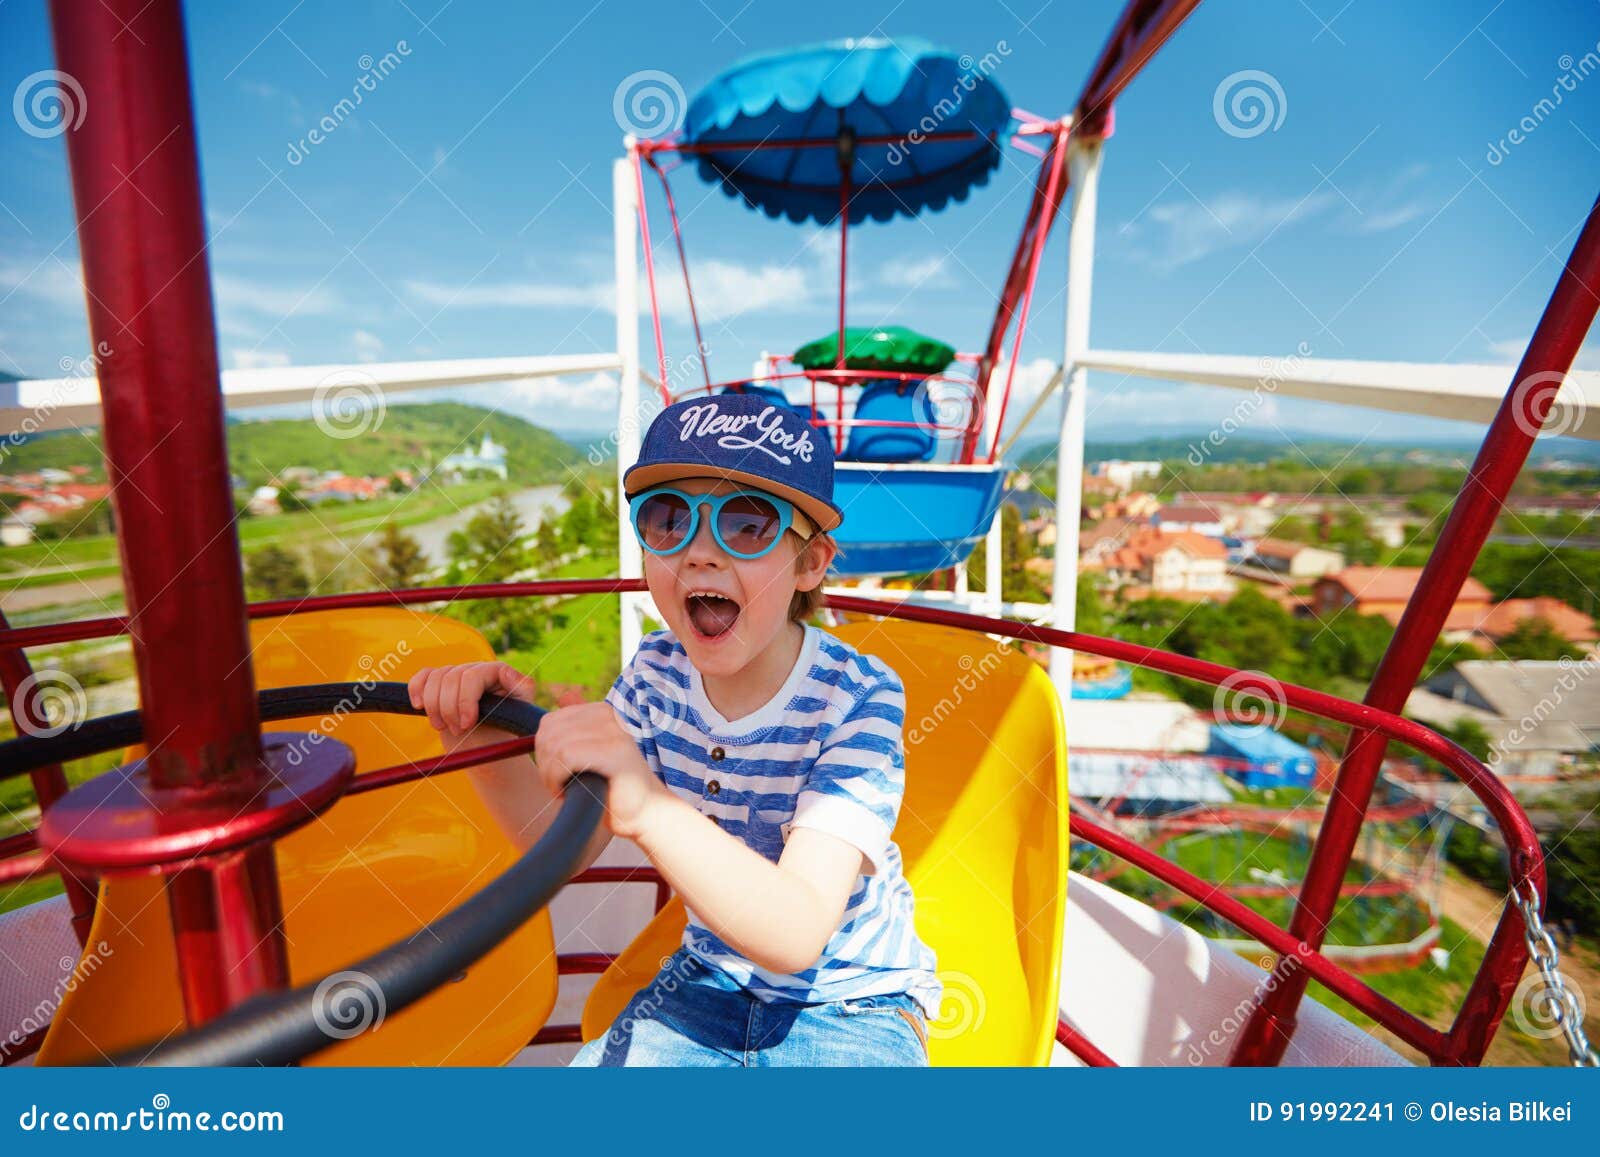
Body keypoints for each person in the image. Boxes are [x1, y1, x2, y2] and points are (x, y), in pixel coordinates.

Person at [408, 392, 940, 1066]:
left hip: (850, 1002)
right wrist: (475, 734)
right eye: (668, 520)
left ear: (811, 563)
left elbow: (800, 929)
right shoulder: (656, 675)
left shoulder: (857, 697)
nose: (700, 553)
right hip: (706, 980)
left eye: (748, 525)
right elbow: (556, 842)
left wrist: (646, 806)